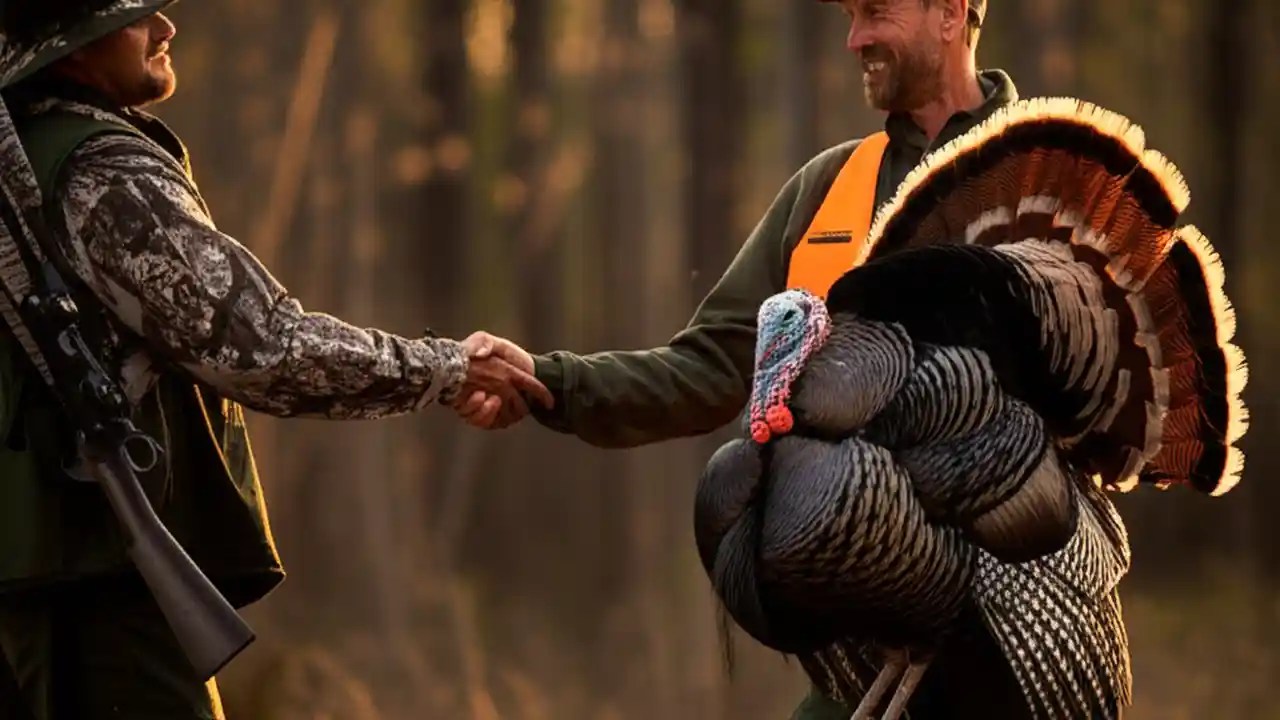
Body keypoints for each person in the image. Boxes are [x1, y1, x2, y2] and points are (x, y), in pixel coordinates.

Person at [453, 0, 1028, 717]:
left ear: (950, 13)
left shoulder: (1049, 178)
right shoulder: (830, 189)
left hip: (1021, 636)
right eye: (849, 16)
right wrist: (548, 381)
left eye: (875, 12)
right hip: (871, 647)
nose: (855, 39)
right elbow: (709, 367)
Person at [0, 2, 552, 719]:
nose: (165, 27)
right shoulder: (99, 173)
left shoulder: (26, 171)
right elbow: (263, 349)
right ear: (68, 44)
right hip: (92, 590)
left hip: (34, 581)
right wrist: (446, 369)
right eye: (136, 16)